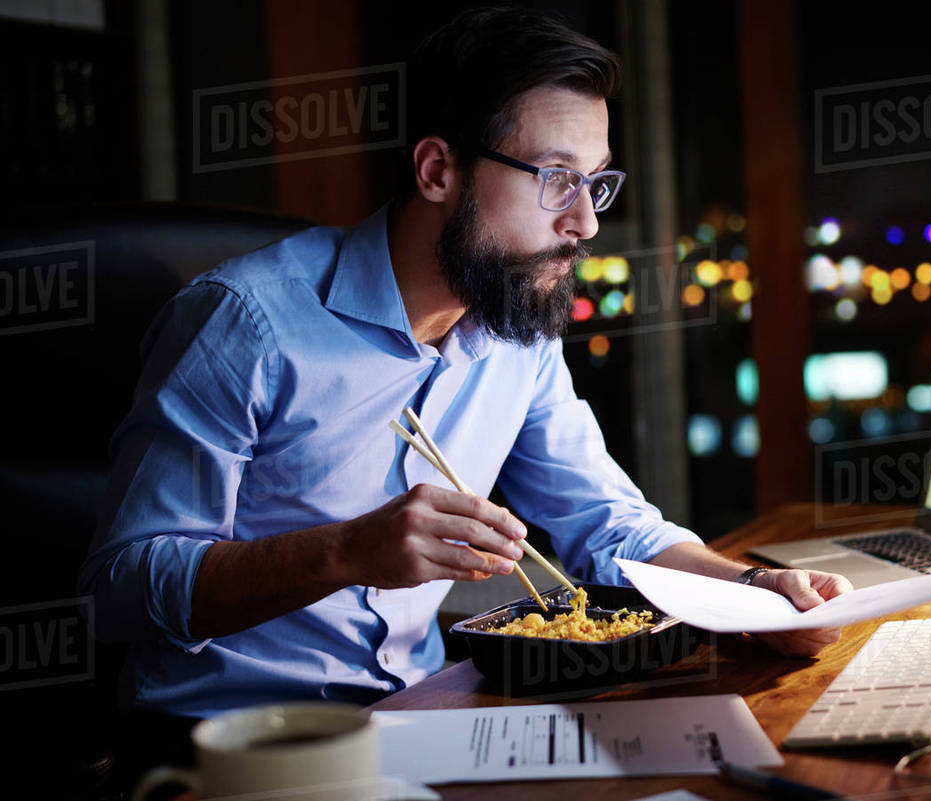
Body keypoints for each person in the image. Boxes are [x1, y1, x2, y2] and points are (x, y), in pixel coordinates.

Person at [79, 6, 851, 720]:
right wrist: (346, 551)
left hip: (421, 715)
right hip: (230, 742)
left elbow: (609, 523)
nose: (584, 221)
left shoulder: (517, 333)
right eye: (556, 179)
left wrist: (758, 594)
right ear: (438, 171)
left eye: (596, 183)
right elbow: (121, 587)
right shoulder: (243, 324)